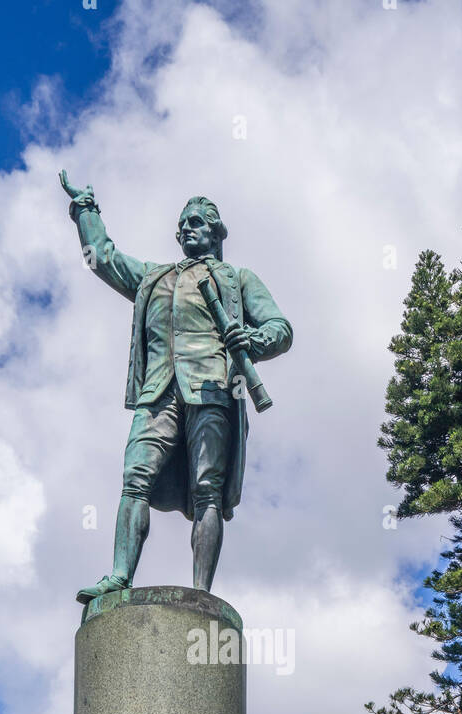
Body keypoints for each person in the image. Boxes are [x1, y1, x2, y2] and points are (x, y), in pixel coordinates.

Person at [60, 174, 293, 602]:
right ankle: (119, 576)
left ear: (217, 232)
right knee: (135, 477)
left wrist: (253, 339)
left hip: (213, 390)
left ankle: (201, 594)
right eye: (182, 224)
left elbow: (280, 328)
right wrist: (86, 210)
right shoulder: (154, 277)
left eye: (196, 222)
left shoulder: (238, 279)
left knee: (208, 488)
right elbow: (104, 259)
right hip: (158, 393)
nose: (186, 228)